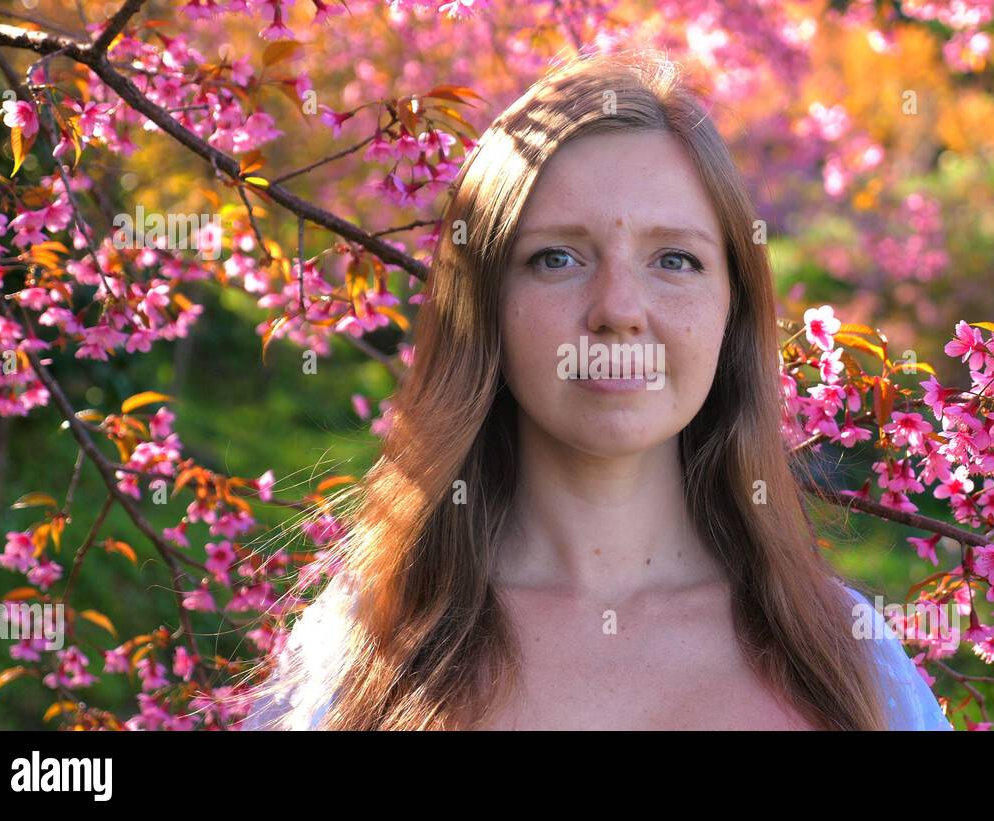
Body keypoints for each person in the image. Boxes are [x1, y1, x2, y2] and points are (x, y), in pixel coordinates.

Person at [241, 47, 952, 731]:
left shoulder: (851, 662)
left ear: (733, 309)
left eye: (675, 258)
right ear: (483, 304)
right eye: (556, 257)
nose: (617, 307)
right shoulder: (363, 652)